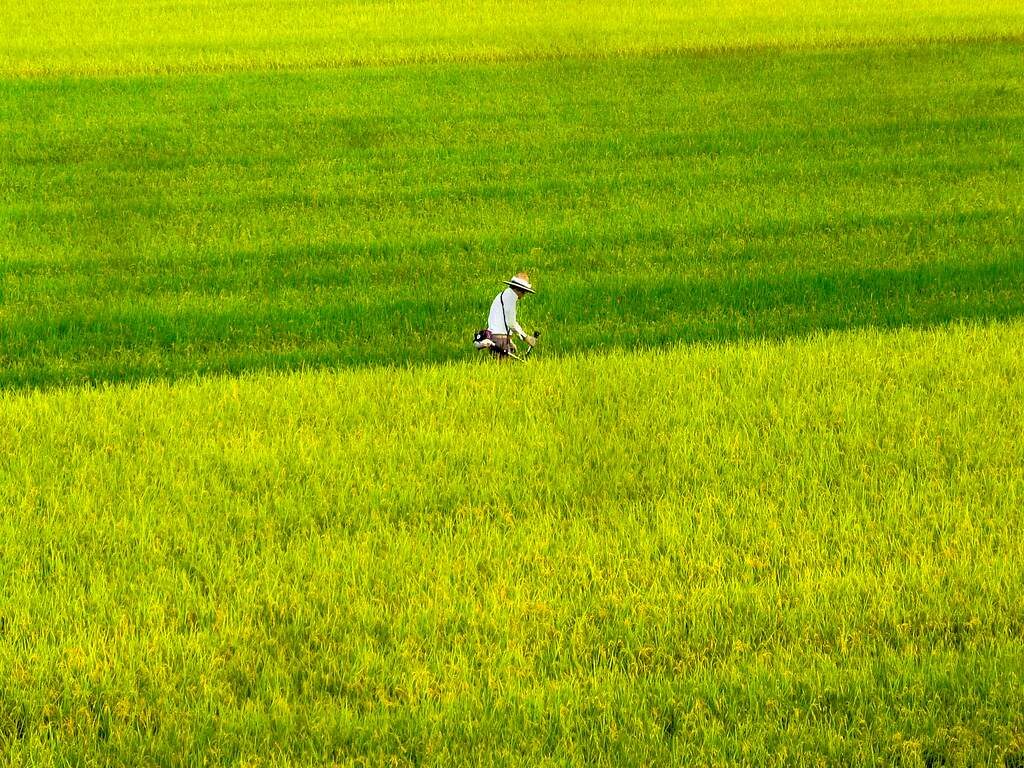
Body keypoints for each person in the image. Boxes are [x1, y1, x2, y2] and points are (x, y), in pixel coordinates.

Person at [486, 272, 537, 357]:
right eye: (524, 292)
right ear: (519, 290)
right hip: (499, 339)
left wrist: (509, 341)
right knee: (502, 368)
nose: (523, 296)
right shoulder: (510, 298)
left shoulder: (504, 295)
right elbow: (511, 323)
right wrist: (526, 337)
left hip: (496, 337)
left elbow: (501, 322)